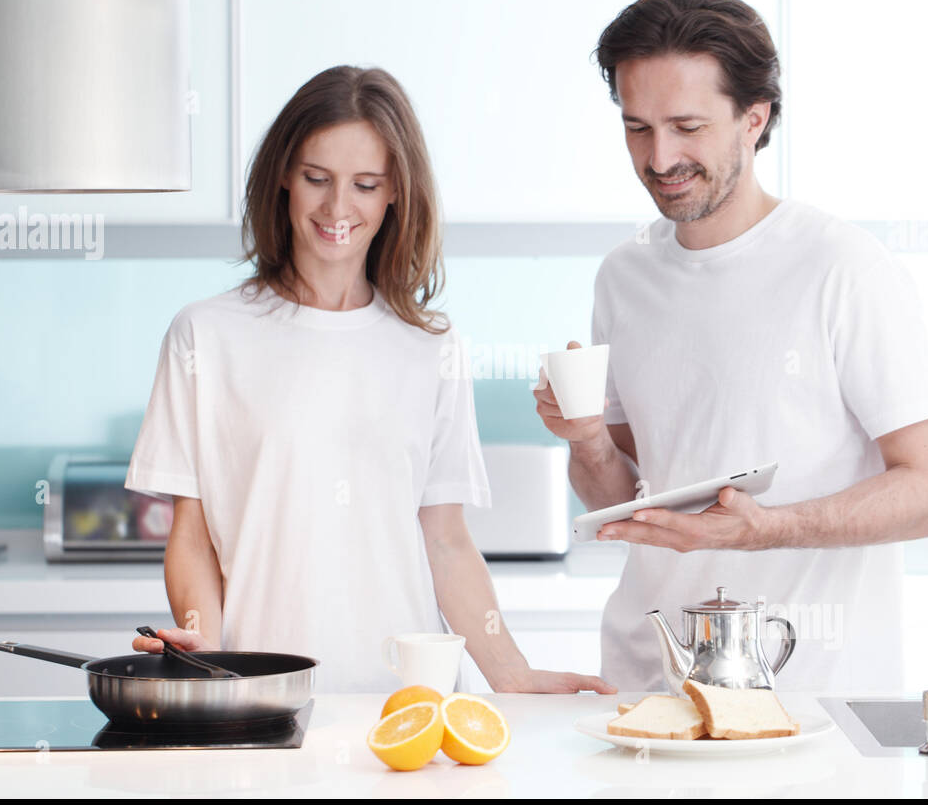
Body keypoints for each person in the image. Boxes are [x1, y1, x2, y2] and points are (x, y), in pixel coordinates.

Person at [126, 65, 614, 695]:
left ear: (395, 194)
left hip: (413, 703)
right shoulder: (205, 335)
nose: (337, 208)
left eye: (364, 184)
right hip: (264, 698)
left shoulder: (431, 346)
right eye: (316, 179)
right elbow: (191, 535)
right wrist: (205, 653)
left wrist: (513, 674)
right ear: (283, 177)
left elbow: (446, 541)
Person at [534, 0, 928, 693]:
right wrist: (584, 439)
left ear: (753, 120)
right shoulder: (624, 277)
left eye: (686, 126)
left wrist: (767, 527)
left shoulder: (842, 267)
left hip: (810, 699)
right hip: (653, 689)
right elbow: (630, 498)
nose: (659, 156)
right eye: (637, 127)